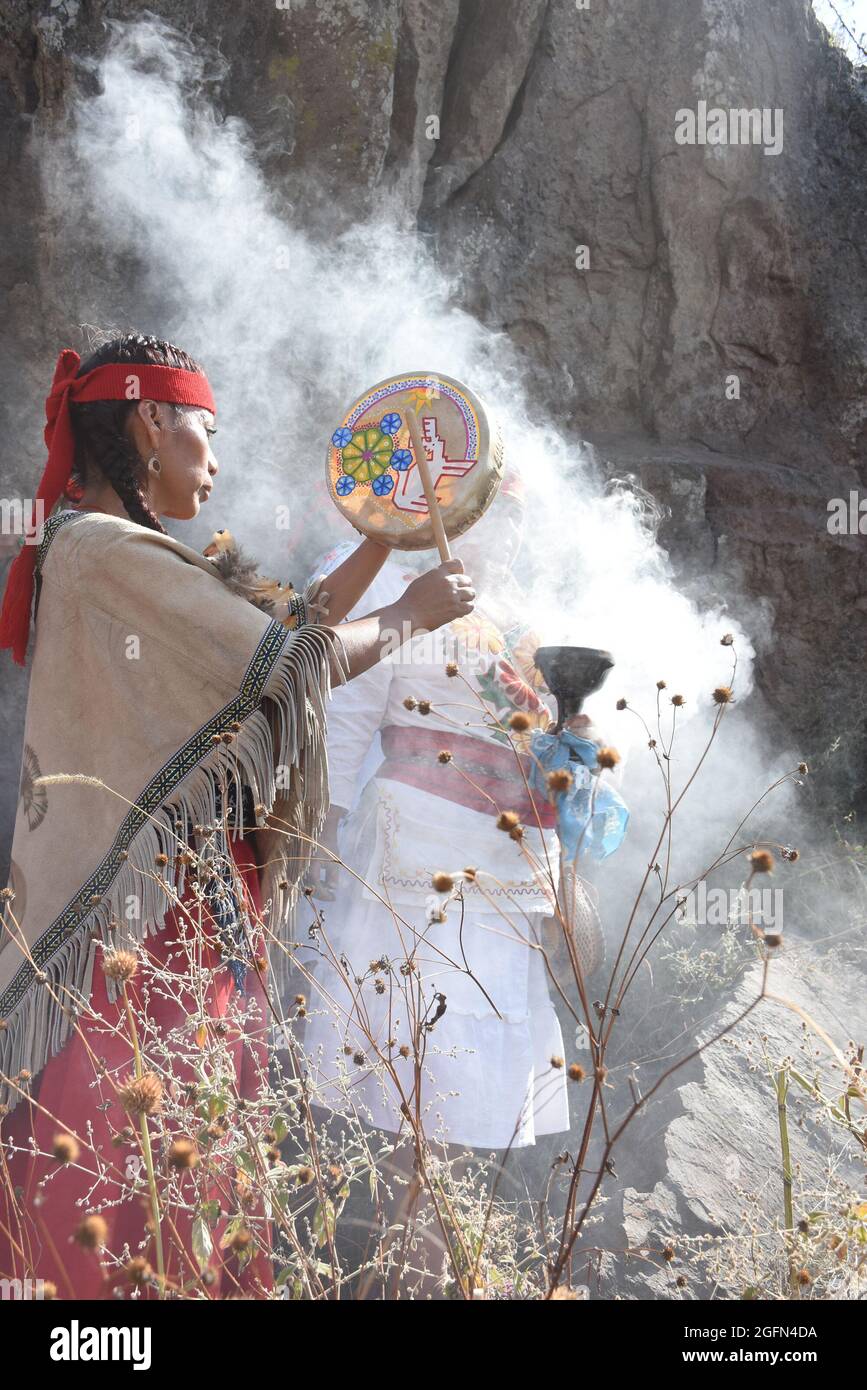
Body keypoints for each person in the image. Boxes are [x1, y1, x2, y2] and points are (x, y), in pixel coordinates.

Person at [0, 334, 473, 1296]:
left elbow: (283, 632)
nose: (213, 464)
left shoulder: (121, 554)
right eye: (204, 436)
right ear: (151, 422)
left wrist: (382, 534)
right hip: (141, 925)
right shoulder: (101, 550)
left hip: (180, 904)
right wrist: (415, 613)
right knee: (138, 1143)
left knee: (192, 1139)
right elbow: (291, 663)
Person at [299, 479, 606, 1157]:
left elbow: (542, 748)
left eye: (524, 518)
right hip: (416, 863)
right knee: (413, 1057)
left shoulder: (523, 621)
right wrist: (322, 836)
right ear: (460, 515)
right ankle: (409, 1247)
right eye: (502, 515)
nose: (514, 534)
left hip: (510, 868)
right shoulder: (396, 588)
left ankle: (432, 1248)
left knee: (469, 1078)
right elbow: (345, 720)